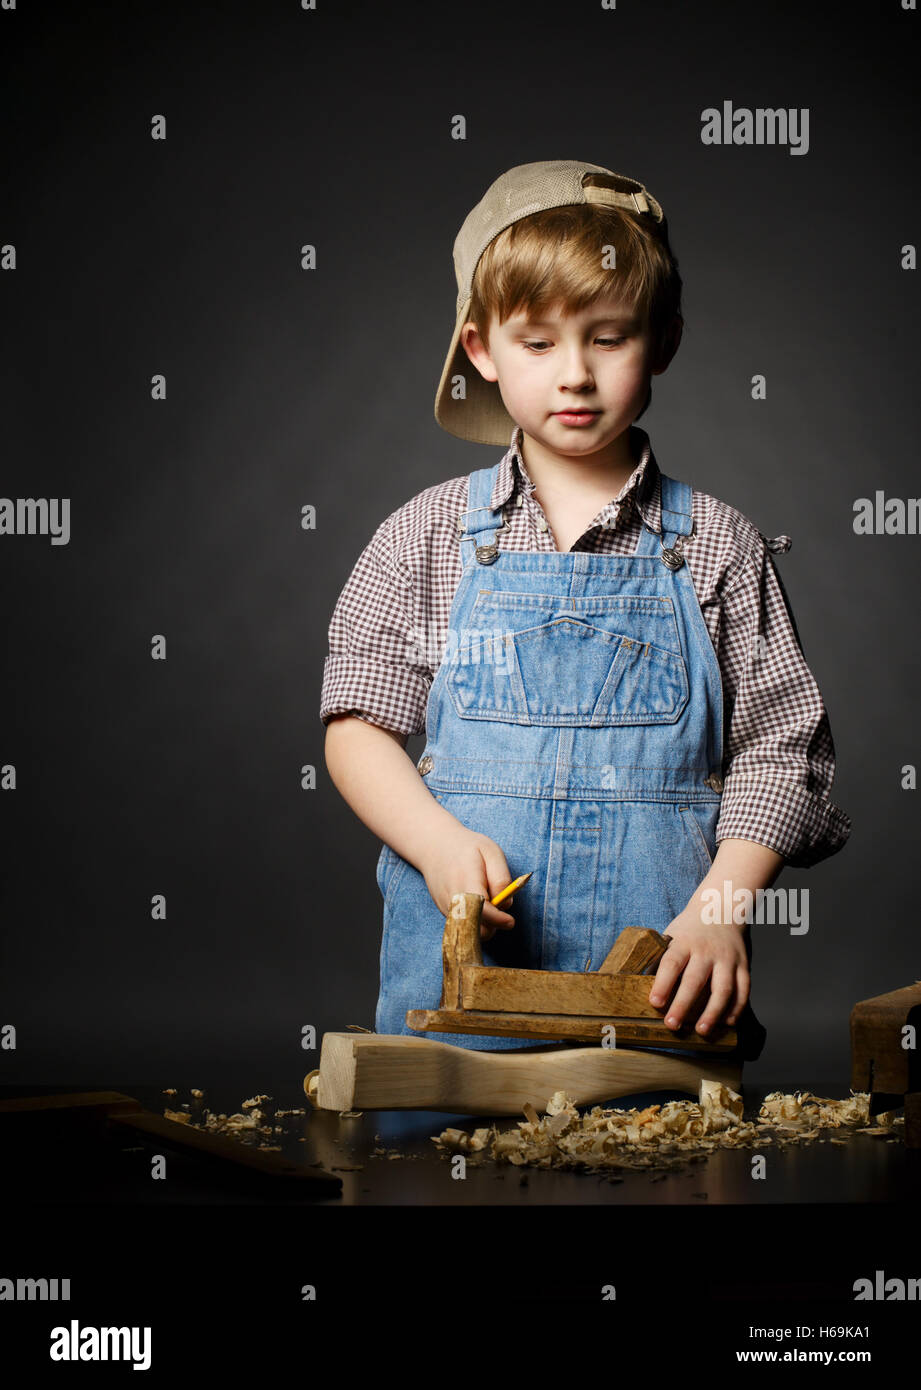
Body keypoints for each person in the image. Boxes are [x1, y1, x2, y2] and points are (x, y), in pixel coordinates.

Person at [320, 159, 850, 1051]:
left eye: (608, 338)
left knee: (654, 1169)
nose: (574, 374)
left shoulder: (716, 544)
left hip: (656, 1010)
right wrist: (438, 843)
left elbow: (784, 748)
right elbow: (355, 725)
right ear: (480, 350)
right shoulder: (426, 534)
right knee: (431, 1179)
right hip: (456, 1010)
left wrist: (719, 907)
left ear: (664, 341)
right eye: (537, 343)